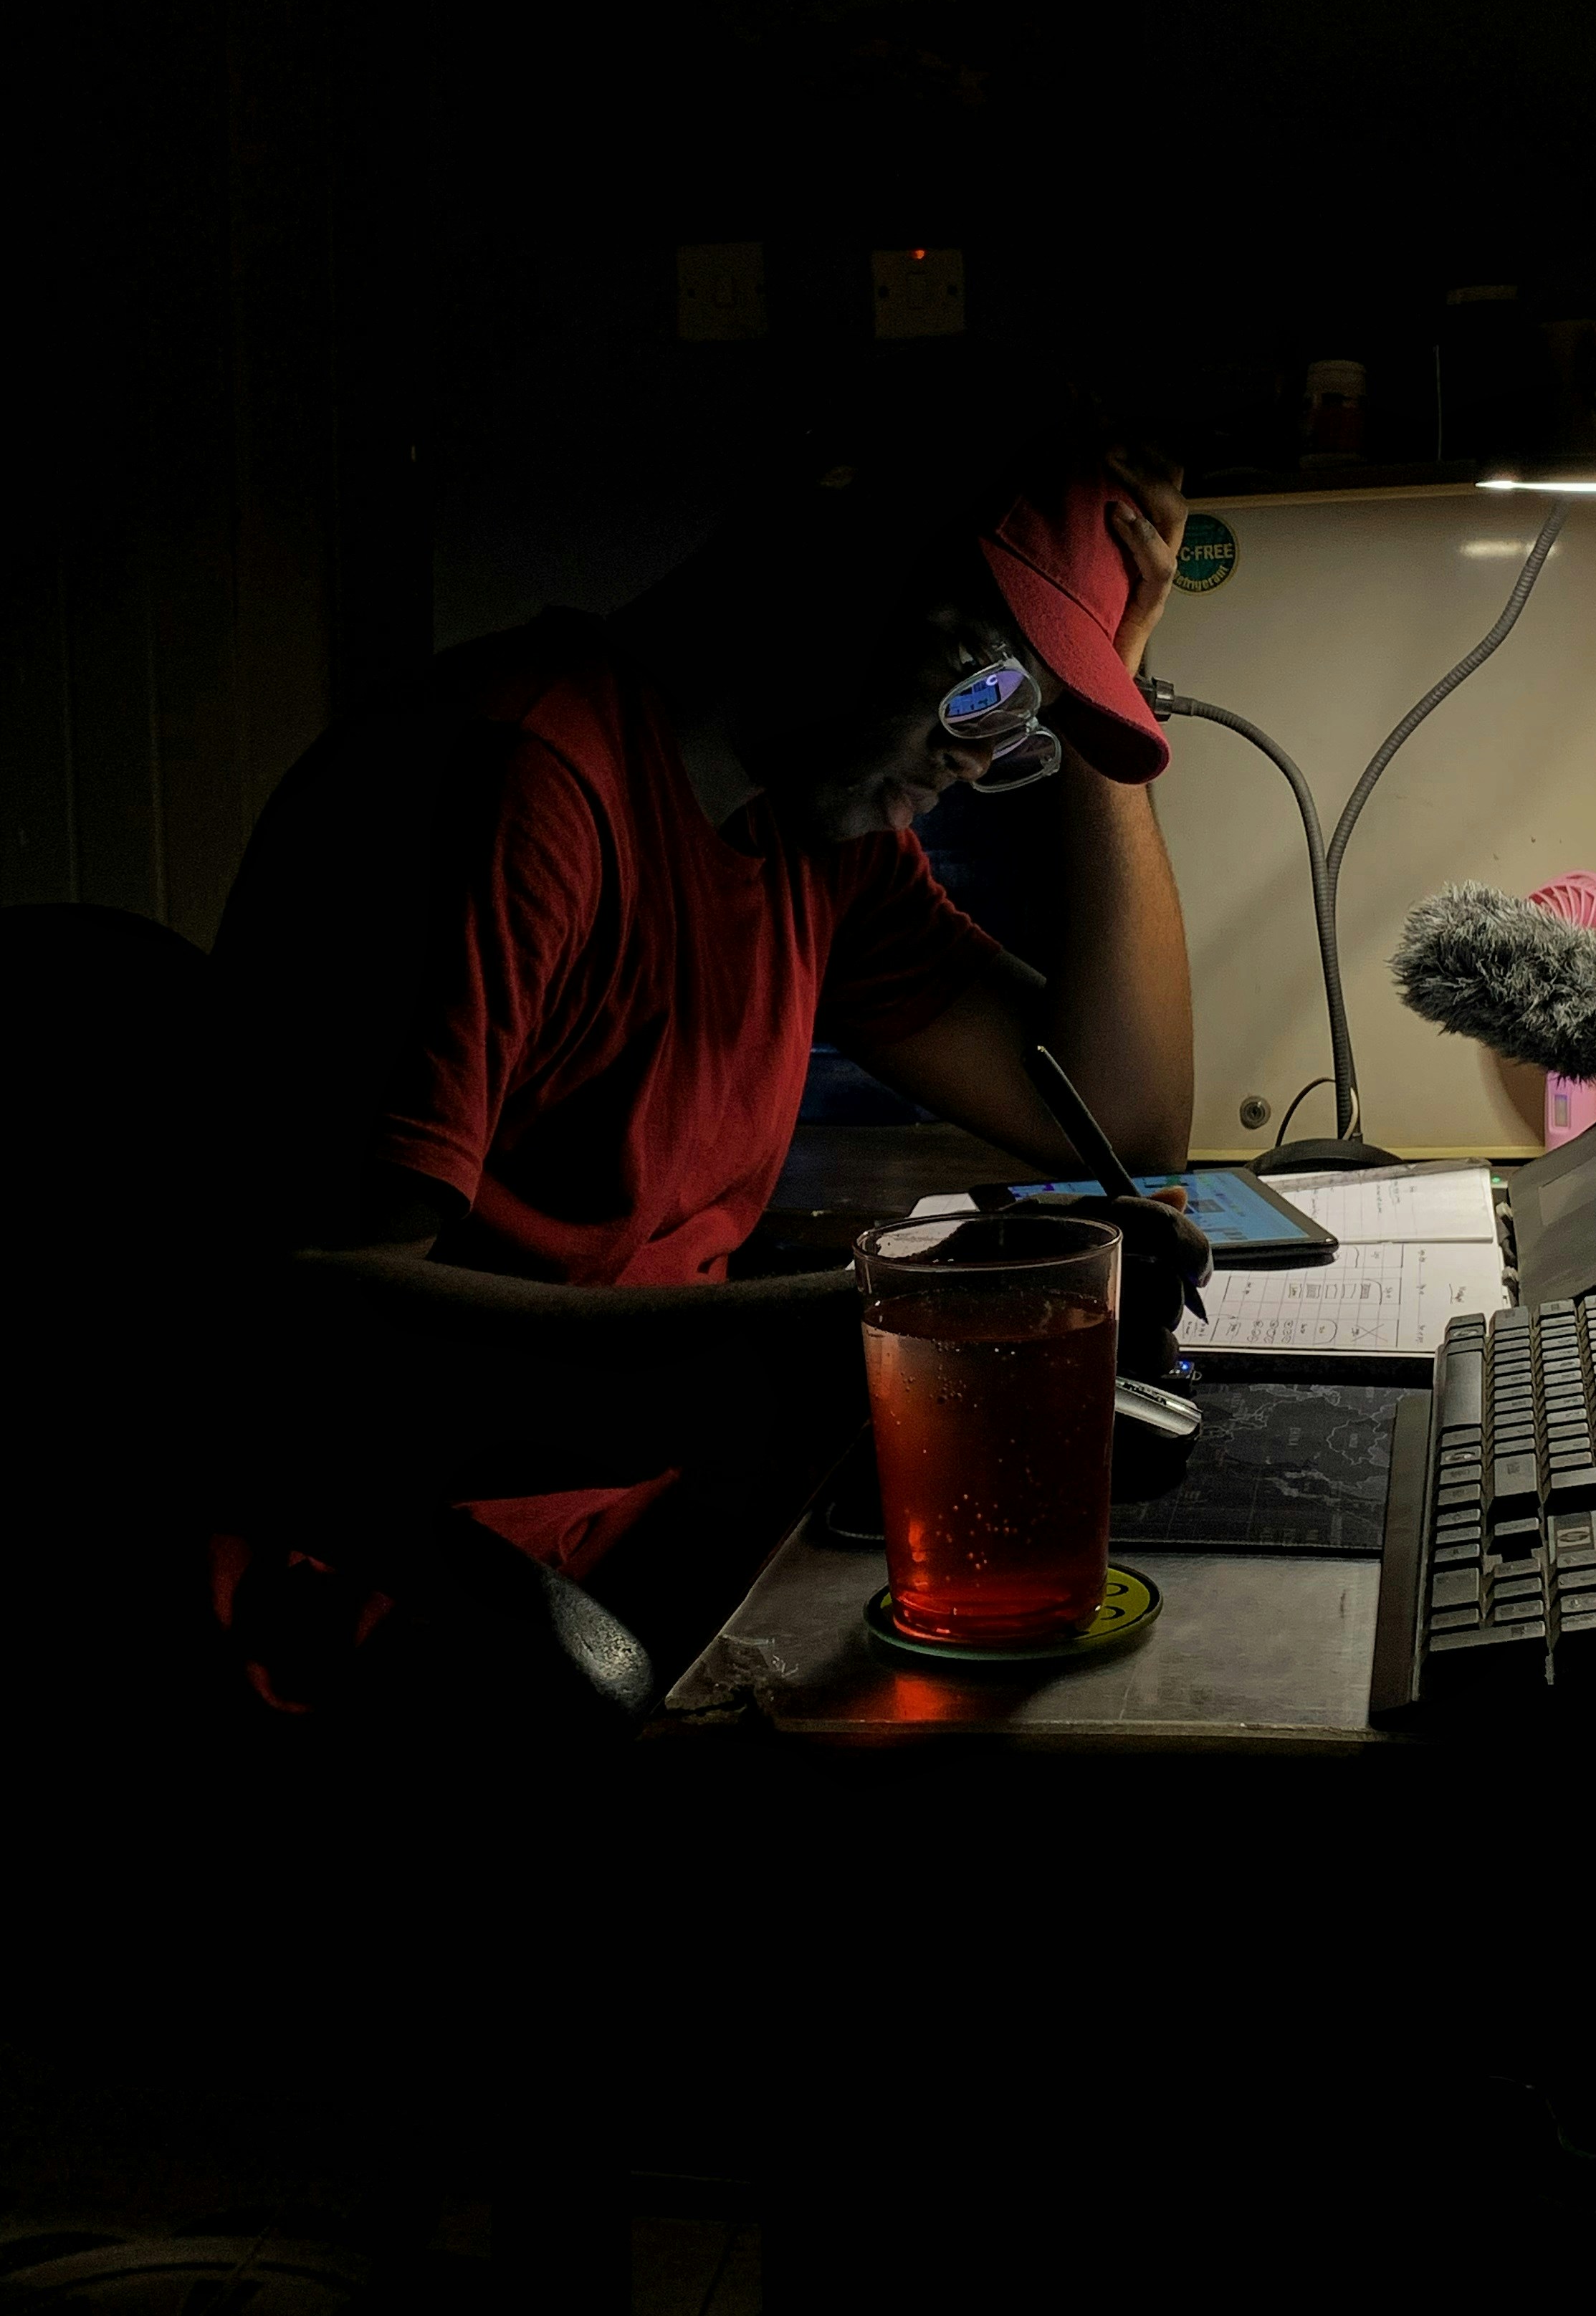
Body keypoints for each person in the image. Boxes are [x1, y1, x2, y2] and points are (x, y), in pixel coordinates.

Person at [207, 418, 1210, 1708]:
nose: (978, 754)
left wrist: (1096, 711)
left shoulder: (812, 835)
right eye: (984, 681)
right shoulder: (526, 787)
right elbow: (309, 1349)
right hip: (422, 1618)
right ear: (845, 554)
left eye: (1022, 718)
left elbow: (1125, 1121)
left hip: (645, 1538)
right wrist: (882, 1336)